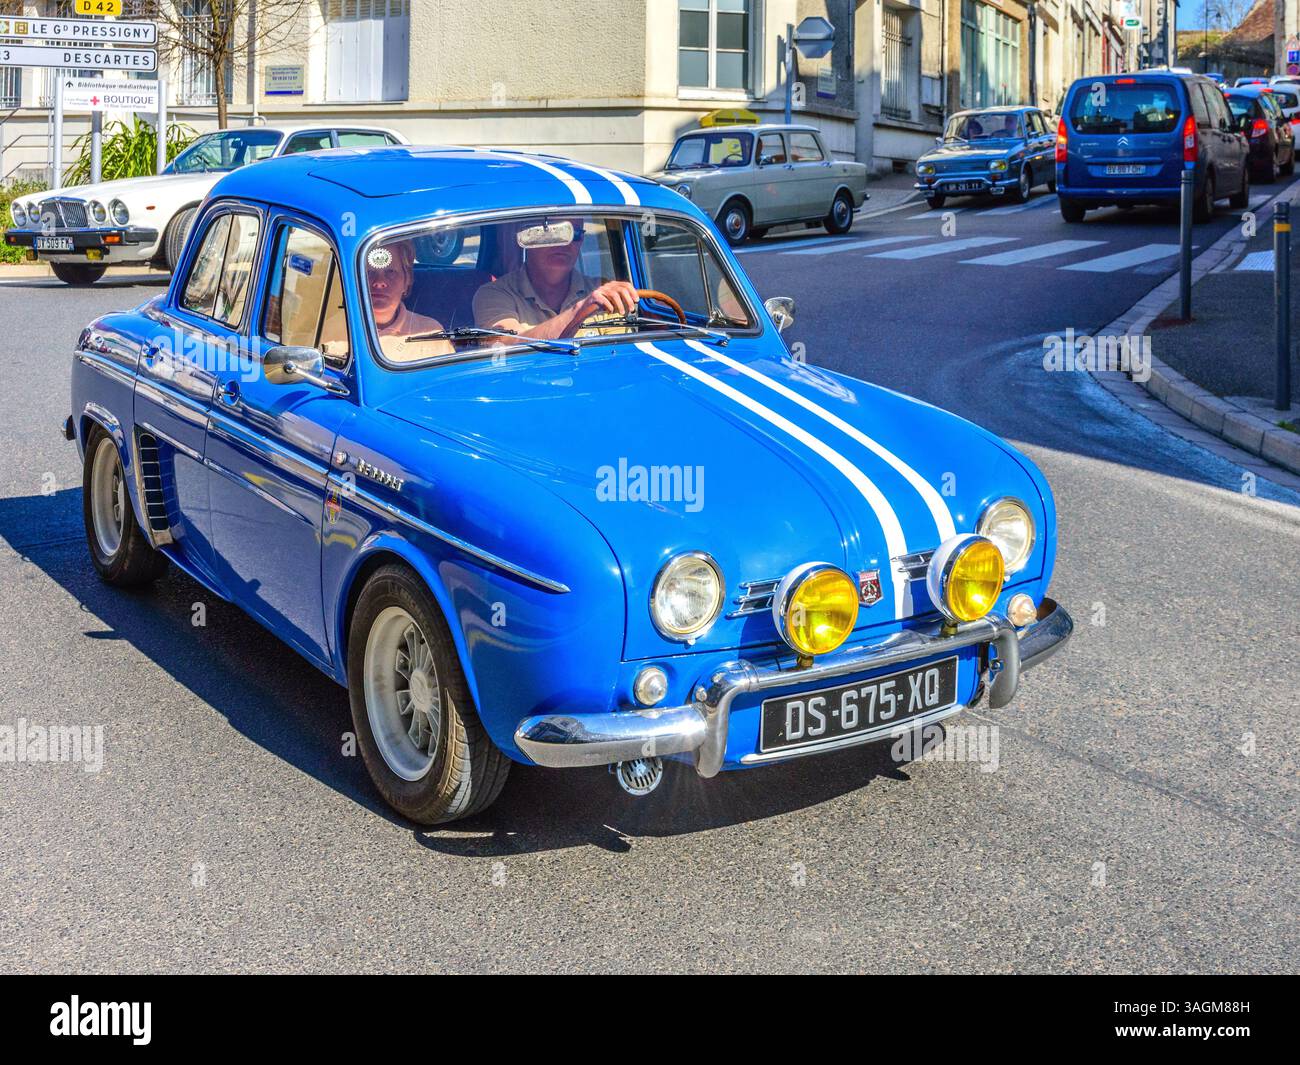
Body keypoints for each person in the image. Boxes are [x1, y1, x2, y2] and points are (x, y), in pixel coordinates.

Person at [473, 217, 640, 340]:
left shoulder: (601, 290)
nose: (565, 244)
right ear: (530, 238)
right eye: (554, 233)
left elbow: (617, 355)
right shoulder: (493, 294)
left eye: (575, 234)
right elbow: (508, 346)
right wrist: (580, 310)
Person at [366, 240, 455, 362]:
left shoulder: (430, 333)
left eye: (390, 272)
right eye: (369, 272)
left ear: (407, 279)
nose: (379, 282)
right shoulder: (338, 331)